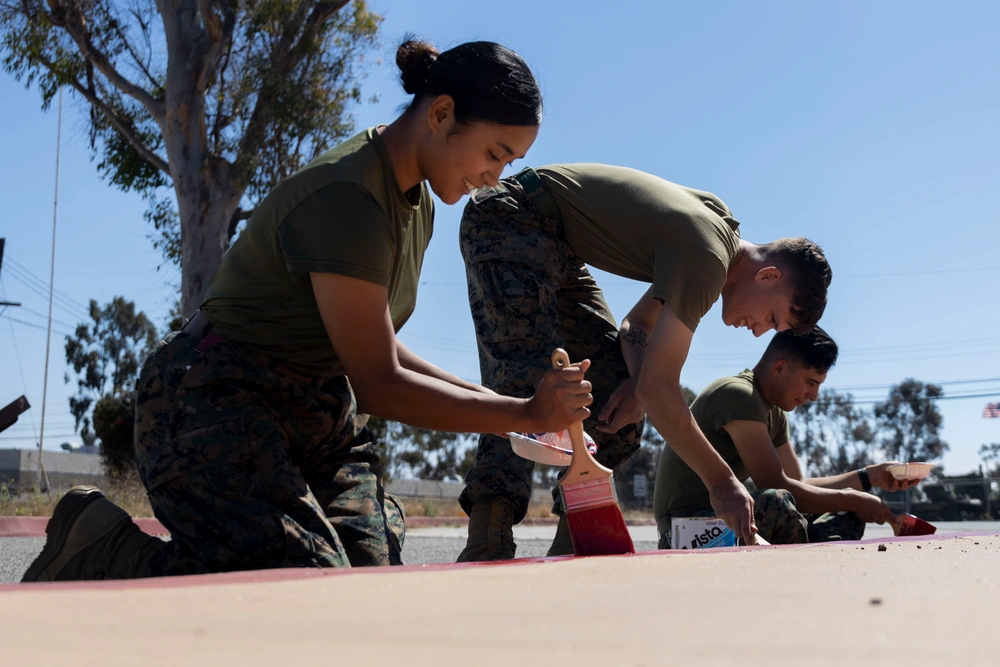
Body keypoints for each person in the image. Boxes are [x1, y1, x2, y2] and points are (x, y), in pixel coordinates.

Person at [22, 39, 594, 582]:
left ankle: (316, 541)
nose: (495, 177)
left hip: (316, 416)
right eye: (495, 153)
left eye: (510, 161)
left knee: (372, 595)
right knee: (299, 588)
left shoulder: (416, 197)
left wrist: (517, 408)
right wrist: (521, 414)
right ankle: (100, 544)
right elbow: (378, 384)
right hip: (214, 400)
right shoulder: (349, 196)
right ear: (441, 114)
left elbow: (380, 346)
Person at [457, 163, 832, 561]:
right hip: (513, 215)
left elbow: (637, 327)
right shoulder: (707, 256)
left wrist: (638, 382)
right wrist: (721, 481)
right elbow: (660, 387)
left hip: (557, 245)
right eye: (772, 319)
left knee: (616, 402)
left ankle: (574, 539)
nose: (759, 332)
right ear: (768, 277)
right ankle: (488, 540)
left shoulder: (717, 239)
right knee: (526, 385)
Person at [653, 327, 918, 547]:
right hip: (685, 529)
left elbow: (798, 483)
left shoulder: (774, 412)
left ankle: (810, 562)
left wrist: (868, 477)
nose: (814, 396)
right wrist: (852, 497)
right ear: (779, 368)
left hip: (732, 520)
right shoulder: (738, 394)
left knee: (842, 508)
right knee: (776, 503)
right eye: (810, 382)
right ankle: (798, 566)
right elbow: (778, 486)